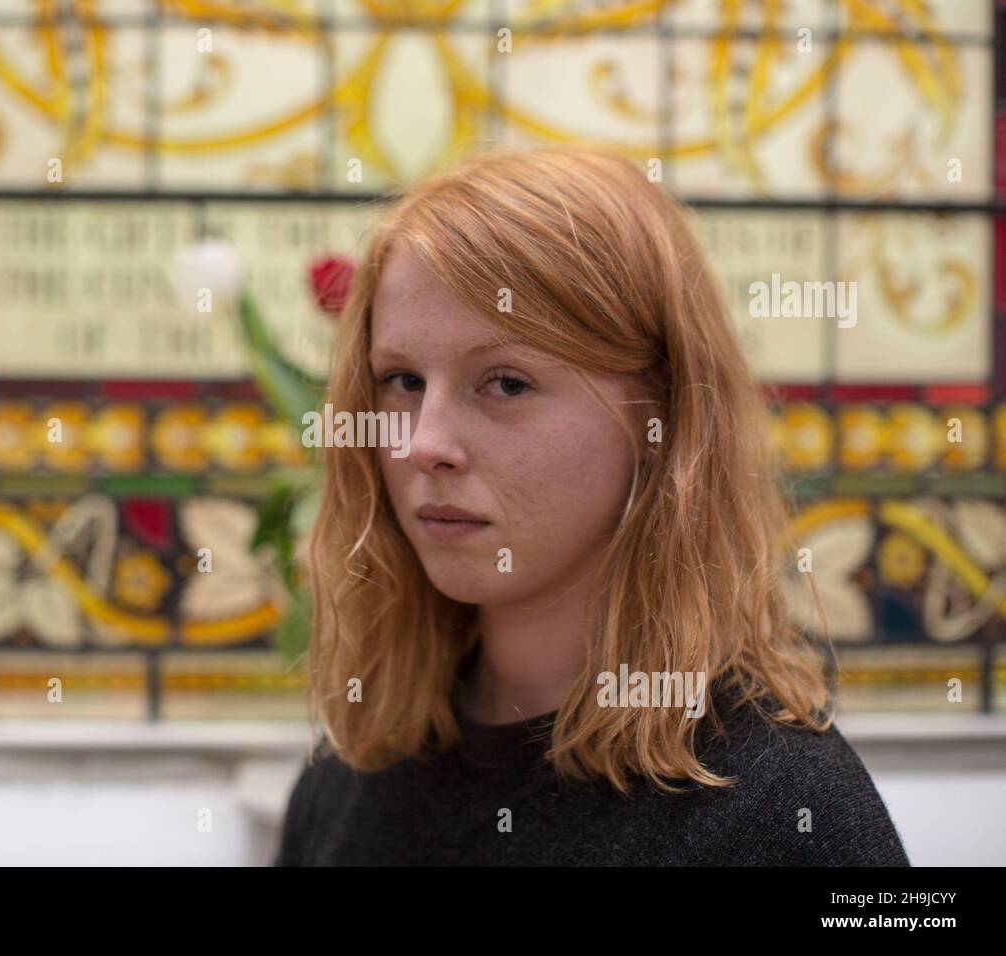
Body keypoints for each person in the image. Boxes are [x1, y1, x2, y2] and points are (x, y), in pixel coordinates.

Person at [273, 145, 909, 866]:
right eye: (402, 380)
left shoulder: (780, 810)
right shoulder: (354, 769)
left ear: (658, 415)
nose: (425, 444)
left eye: (506, 383)